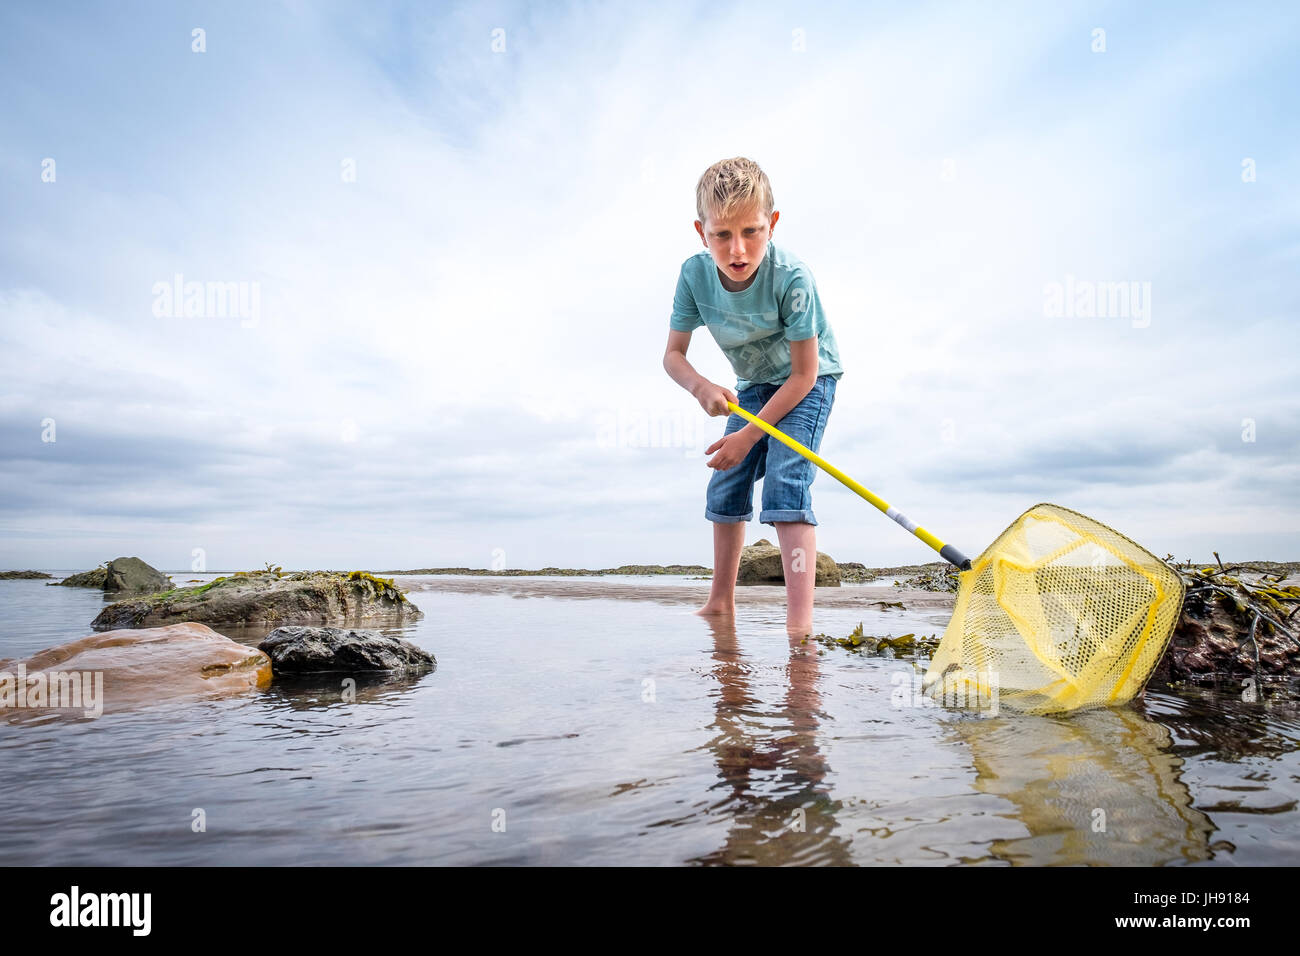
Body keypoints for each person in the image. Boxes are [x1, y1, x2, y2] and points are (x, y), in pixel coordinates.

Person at [662, 156, 844, 637]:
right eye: (722, 234)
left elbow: (803, 376)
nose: (737, 249)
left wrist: (748, 435)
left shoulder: (792, 280)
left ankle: (799, 623)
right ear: (702, 232)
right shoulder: (694, 276)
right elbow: (673, 356)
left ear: (773, 224)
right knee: (726, 484)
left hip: (807, 380)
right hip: (752, 387)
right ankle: (720, 602)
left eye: (752, 231)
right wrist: (701, 386)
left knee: (786, 479)